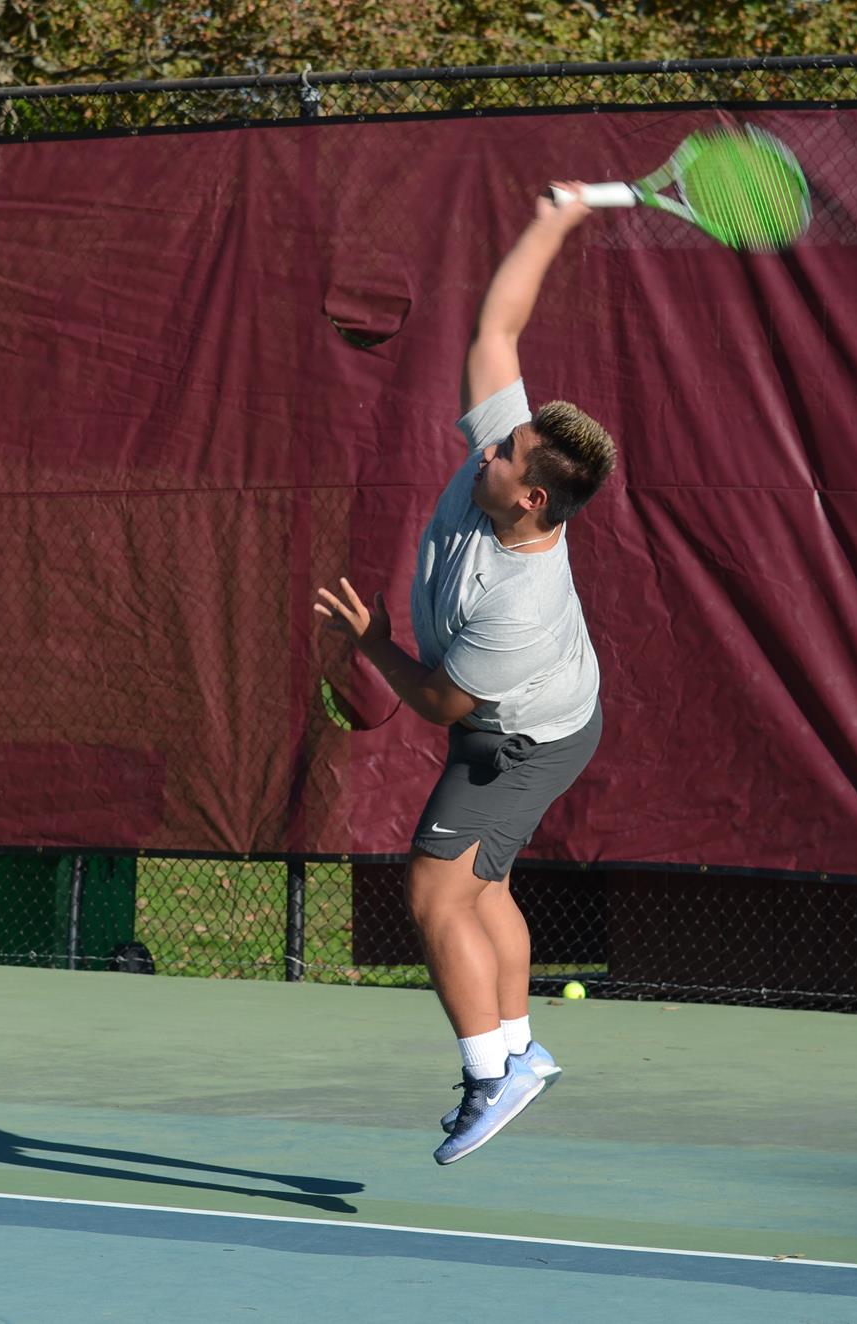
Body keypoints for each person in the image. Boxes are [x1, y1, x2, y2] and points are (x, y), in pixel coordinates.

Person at [315, 185, 615, 1164]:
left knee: (434, 891)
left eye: (503, 449)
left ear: (530, 496)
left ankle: (490, 1072)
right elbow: (498, 323)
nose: (484, 439)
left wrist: (370, 643)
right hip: (546, 718)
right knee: (482, 886)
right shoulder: (508, 468)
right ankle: (522, 1047)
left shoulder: (516, 607)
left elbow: (443, 703)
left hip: (522, 739)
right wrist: (556, 217)